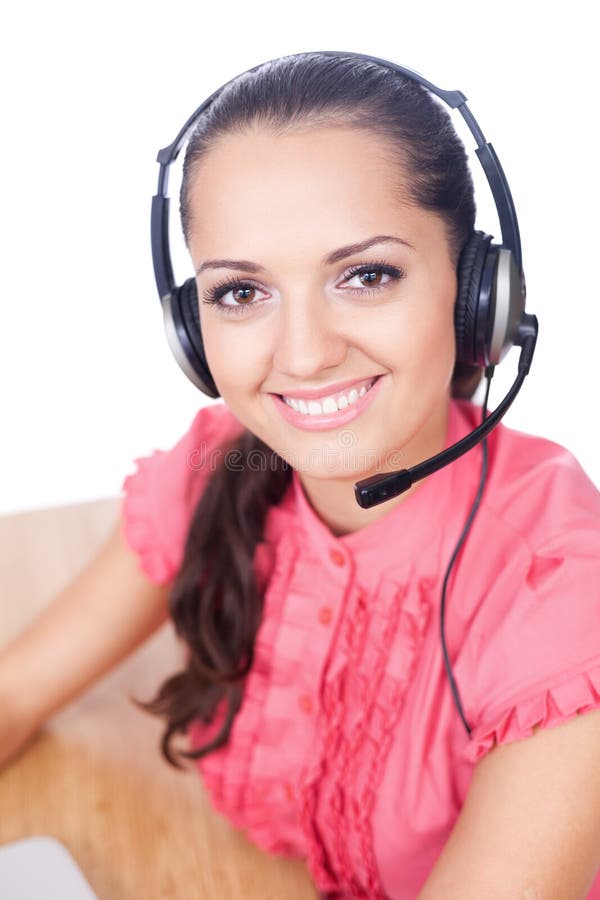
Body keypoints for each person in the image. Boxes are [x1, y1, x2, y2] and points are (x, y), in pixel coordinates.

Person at [2, 50, 600, 899]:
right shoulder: (224, 460)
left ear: (477, 293)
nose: (306, 354)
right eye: (242, 293)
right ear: (189, 326)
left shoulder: (559, 580)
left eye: (366, 276)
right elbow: (16, 692)